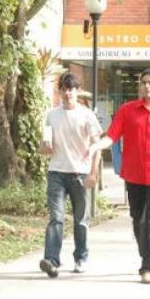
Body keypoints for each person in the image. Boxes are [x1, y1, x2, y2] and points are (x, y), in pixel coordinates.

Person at [89, 68, 150, 284]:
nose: (147, 86)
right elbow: (112, 136)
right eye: (143, 82)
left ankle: (148, 268)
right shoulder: (127, 111)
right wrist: (97, 145)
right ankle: (146, 252)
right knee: (138, 221)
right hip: (134, 175)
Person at [38, 74, 102, 278]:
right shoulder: (51, 115)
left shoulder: (87, 116)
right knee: (56, 218)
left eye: (71, 89)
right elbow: (44, 147)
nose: (67, 93)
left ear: (78, 91)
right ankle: (51, 260)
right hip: (56, 172)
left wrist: (93, 173)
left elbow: (97, 146)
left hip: (80, 174)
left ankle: (81, 257)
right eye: (64, 89)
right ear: (60, 91)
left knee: (81, 220)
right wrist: (44, 147)